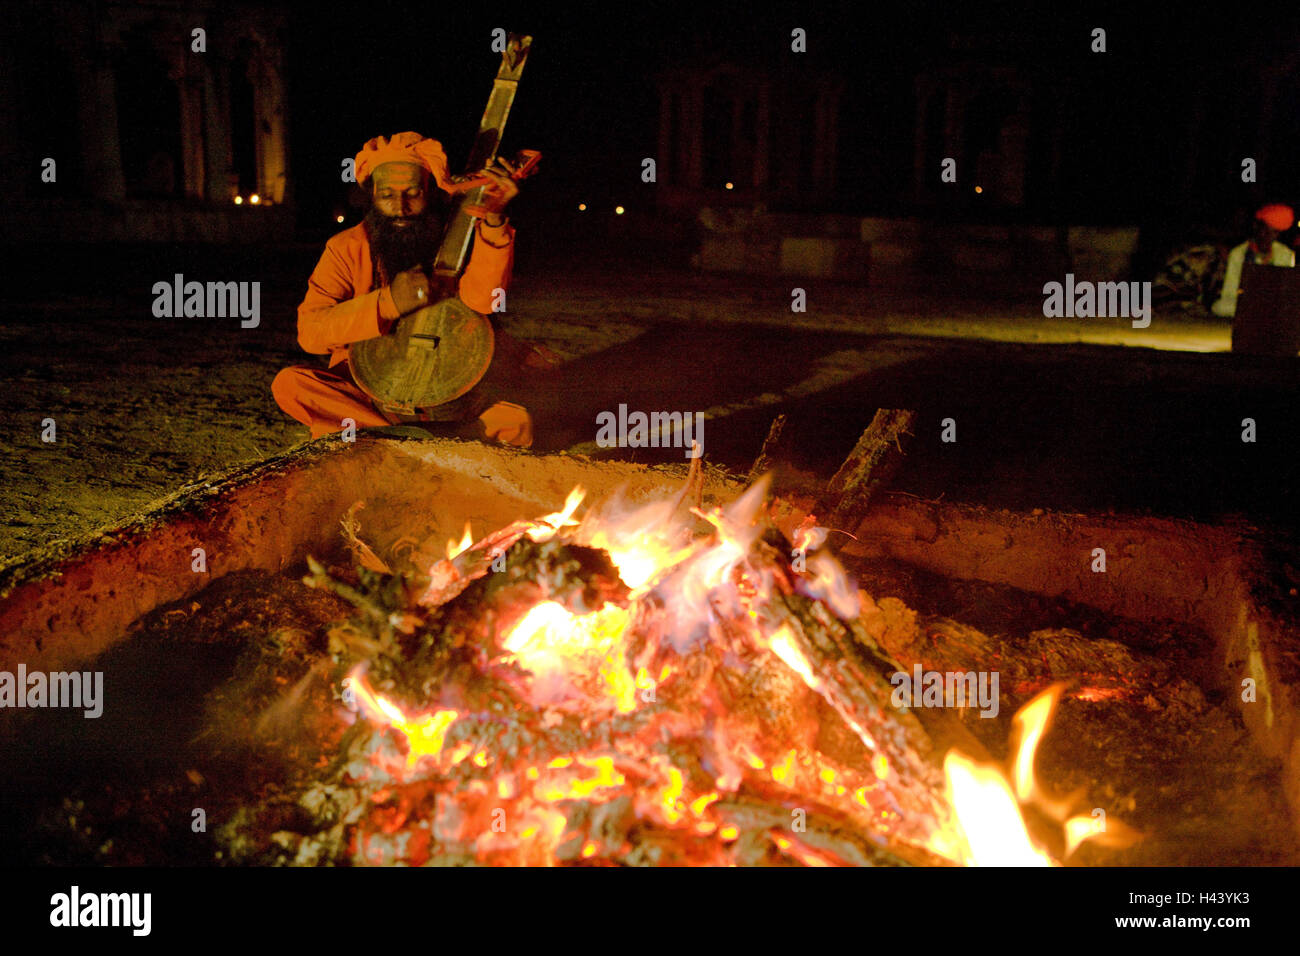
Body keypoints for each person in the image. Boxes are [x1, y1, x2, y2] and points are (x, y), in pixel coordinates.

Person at [273, 131, 544, 446]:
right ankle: (427, 442)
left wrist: (495, 222)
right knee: (291, 384)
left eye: (413, 193)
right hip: (371, 393)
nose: (400, 207)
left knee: (521, 413)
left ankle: (389, 441)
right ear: (371, 195)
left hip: (455, 390)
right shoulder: (346, 247)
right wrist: (387, 303)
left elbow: (484, 303)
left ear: (429, 192)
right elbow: (310, 333)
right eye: (387, 194)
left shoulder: (456, 235)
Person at [1210, 203, 1296, 318]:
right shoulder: (1238, 254)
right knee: (1220, 306)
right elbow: (1229, 292)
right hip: (1247, 303)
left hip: (1274, 304)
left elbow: (1288, 291)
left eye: (1274, 233)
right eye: (1266, 231)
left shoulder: (1286, 253)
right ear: (1256, 227)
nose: (1269, 237)